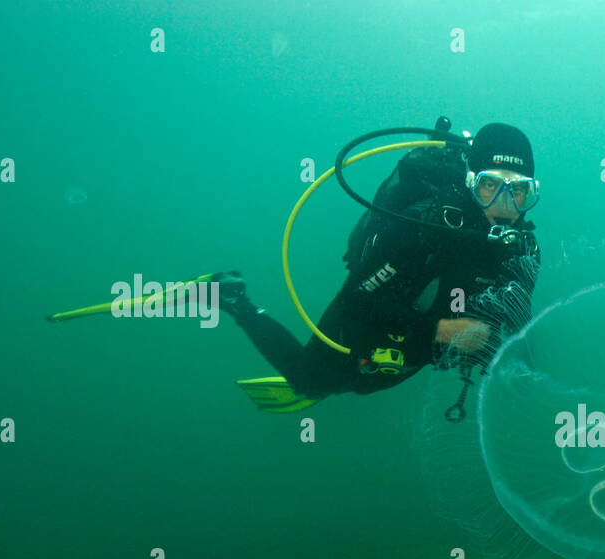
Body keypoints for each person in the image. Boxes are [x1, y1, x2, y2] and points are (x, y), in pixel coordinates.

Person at [221, 120, 541, 412]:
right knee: (310, 381)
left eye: (517, 189)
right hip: (373, 321)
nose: (504, 203)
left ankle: (351, 377)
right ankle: (234, 297)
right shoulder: (422, 226)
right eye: (490, 185)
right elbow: (355, 301)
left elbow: (515, 320)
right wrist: (442, 330)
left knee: (365, 386)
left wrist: (516, 368)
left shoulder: (522, 253)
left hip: (422, 346)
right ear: (471, 182)